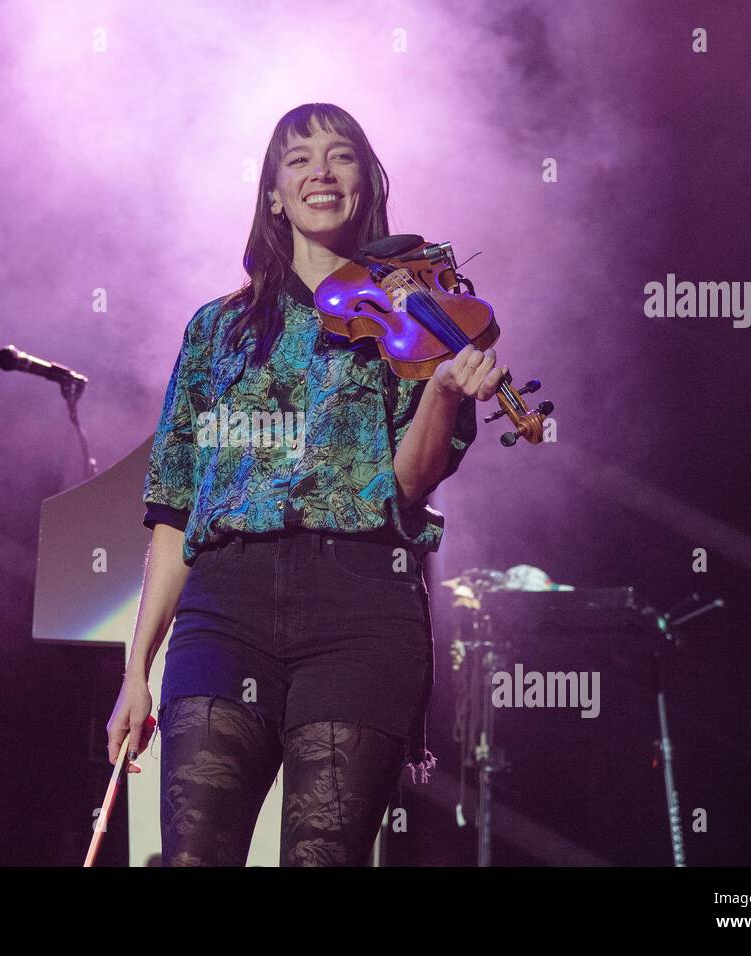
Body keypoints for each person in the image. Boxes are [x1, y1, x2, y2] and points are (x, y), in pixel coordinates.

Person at [107, 103, 506, 866]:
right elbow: (174, 508)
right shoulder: (214, 330)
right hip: (226, 609)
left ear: (367, 182)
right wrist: (136, 672)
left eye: (340, 155)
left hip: (359, 606)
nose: (320, 170)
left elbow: (407, 487)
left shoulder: (413, 317)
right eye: (297, 159)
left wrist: (445, 391)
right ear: (273, 196)